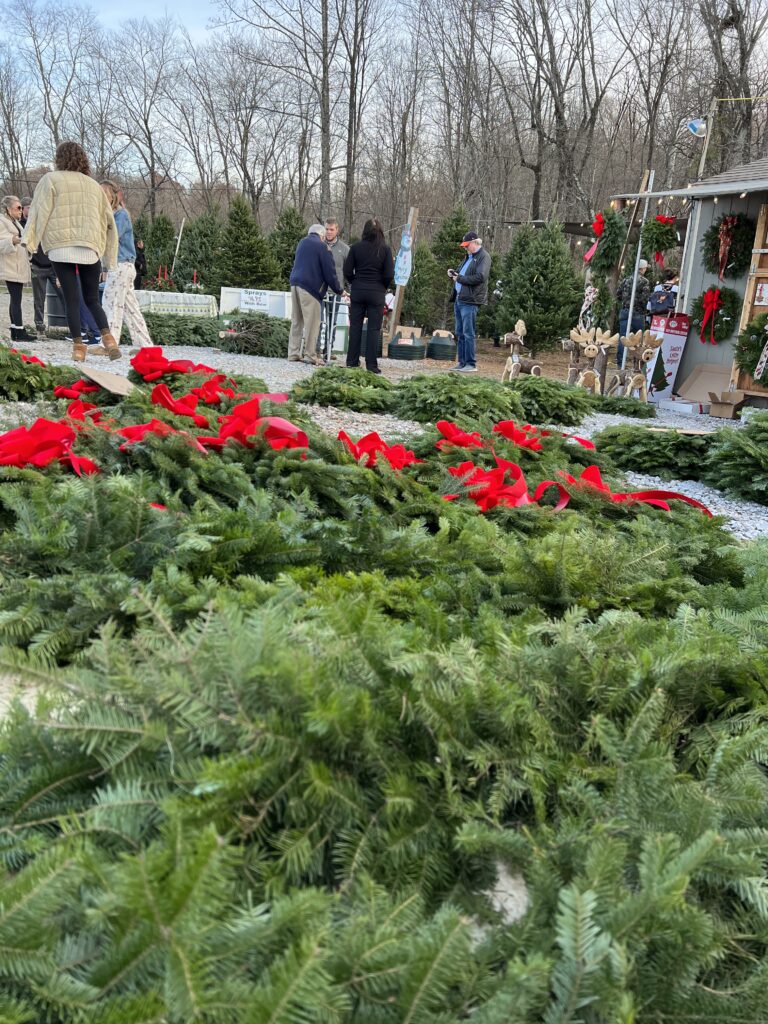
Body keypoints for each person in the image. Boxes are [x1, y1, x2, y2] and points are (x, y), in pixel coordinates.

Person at [23, 142, 119, 363]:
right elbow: (109, 221)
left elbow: (39, 211)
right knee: (93, 299)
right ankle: (108, 338)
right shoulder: (94, 185)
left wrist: (30, 242)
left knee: (72, 300)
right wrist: (108, 257)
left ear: (59, 159)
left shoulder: (51, 180)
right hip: (90, 247)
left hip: (61, 248)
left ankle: (78, 347)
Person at [100, 180, 152, 349]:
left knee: (111, 303)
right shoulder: (114, 215)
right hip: (122, 265)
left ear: (113, 195)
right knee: (130, 309)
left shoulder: (120, 216)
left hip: (121, 265)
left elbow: (111, 237)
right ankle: (145, 346)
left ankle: (109, 343)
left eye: (104, 193)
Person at [343, 217, 394, 374]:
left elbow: (347, 271)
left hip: (358, 291)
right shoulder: (384, 249)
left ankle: (352, 361)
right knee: (373, 329)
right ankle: (371, 365)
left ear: (364, 231)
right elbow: (389, 274)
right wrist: (381, 287)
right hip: (376, 292)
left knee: (356, 327)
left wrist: (355, 282)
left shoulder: (356, 248)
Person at [288, 224, 343, 364]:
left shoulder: (302, 243)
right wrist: (339, 290)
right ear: (322, 236)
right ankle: (310, 355)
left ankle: (293, 353)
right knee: (312, 323)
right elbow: (330, 273)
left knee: (297, 320)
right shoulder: (323, 247)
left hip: (295, 284)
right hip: (310, 288)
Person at [447, 231, 491, 372]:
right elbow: (461, 274)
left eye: (467, 245)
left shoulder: (484, 257)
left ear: (474, 243)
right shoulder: (469, 257)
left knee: (468, 333)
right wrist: (453, 273)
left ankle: (471, 364)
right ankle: (462, 362)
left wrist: (459, 278)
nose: (465, 248)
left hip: (470, 300)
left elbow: (480, 277)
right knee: (460, 333)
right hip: (460, 299)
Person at [0, 196, 33, 341]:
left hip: (18, 265)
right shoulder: (2, 222)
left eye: (21, 207)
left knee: (16, 298)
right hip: (10, 266)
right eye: (17, 208)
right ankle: (19, 331)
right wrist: (12, 240)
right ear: (8, 209)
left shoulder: (16, 223)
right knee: (16, 298)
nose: (20, 210)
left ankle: (15, 330)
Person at [316, 218, 350, 360]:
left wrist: (349, 290)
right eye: (327, 229)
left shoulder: (345, 249)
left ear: (337, 230)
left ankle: (328, 350)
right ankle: (316, 349)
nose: (329, 232)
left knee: (332, 321)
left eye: (331, 229)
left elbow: (348, 271)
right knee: (319, 321)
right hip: (319, 291)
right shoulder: (318, 245)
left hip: (336, 291)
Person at [616, 259, 650, 366]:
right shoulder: (644, 282)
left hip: (625, 311)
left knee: (623, 337)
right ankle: (638, 362)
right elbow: (644, 299)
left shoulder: (626, 280)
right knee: (638, 339)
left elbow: (618, 294)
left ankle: (620, 362)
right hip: (638, 313)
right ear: (643, 269)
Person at [30, 244, 65, 339]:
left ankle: (75, 328)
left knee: (65, 296)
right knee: (39, 299)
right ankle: (40, 327)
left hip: (54, 267)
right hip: (37, 267)